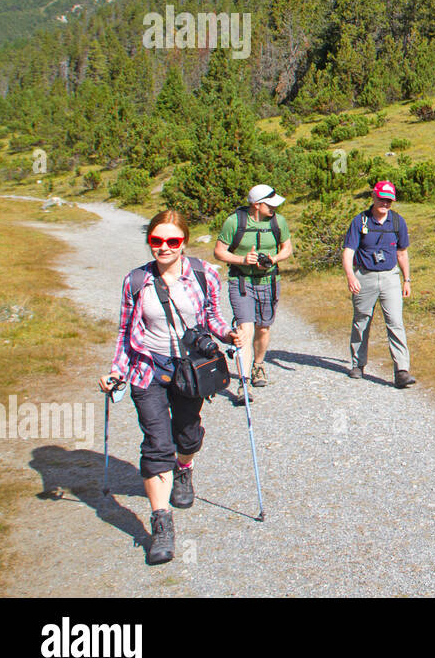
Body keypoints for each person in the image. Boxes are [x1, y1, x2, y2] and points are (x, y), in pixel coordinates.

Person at [101, 209, 241, 565]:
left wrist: (227, 333)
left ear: (184, 243)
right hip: (147, 370)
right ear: (149, 241)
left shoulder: (204, 274)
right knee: (156, 444)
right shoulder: (136, 281)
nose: (164, 247)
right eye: (156, 240)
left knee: (188, 435)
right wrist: (116, 371)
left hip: (190, 370)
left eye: (172, 241)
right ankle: (161, 523)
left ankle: (184, 469)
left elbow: (211, 317)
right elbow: (123, 333)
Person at [213, 185, 293, 393]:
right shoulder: (234, 222)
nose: (274, 208)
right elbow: (219, 252)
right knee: (245, 330)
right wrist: (242, 259)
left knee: (263, 328)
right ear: (256, 205)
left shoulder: (278, 221)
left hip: (269, 281)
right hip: (241, 281)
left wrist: (273, 259)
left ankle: (258, 365)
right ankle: (244, 381)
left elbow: (287, 248)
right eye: (270, 204)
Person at [341, 180, 416, 389]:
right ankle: (357, 364)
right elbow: (348, 251)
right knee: (362, 320)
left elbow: (402, 252)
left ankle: (402, 370)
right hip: (364, 276)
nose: (385, 203)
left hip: (390, 277)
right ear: (373, 197)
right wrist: (350, 276)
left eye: (389, 200)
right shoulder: (360, 221)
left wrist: (407, 280)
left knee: (395, 322)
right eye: (382, 198)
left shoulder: (398, 222)